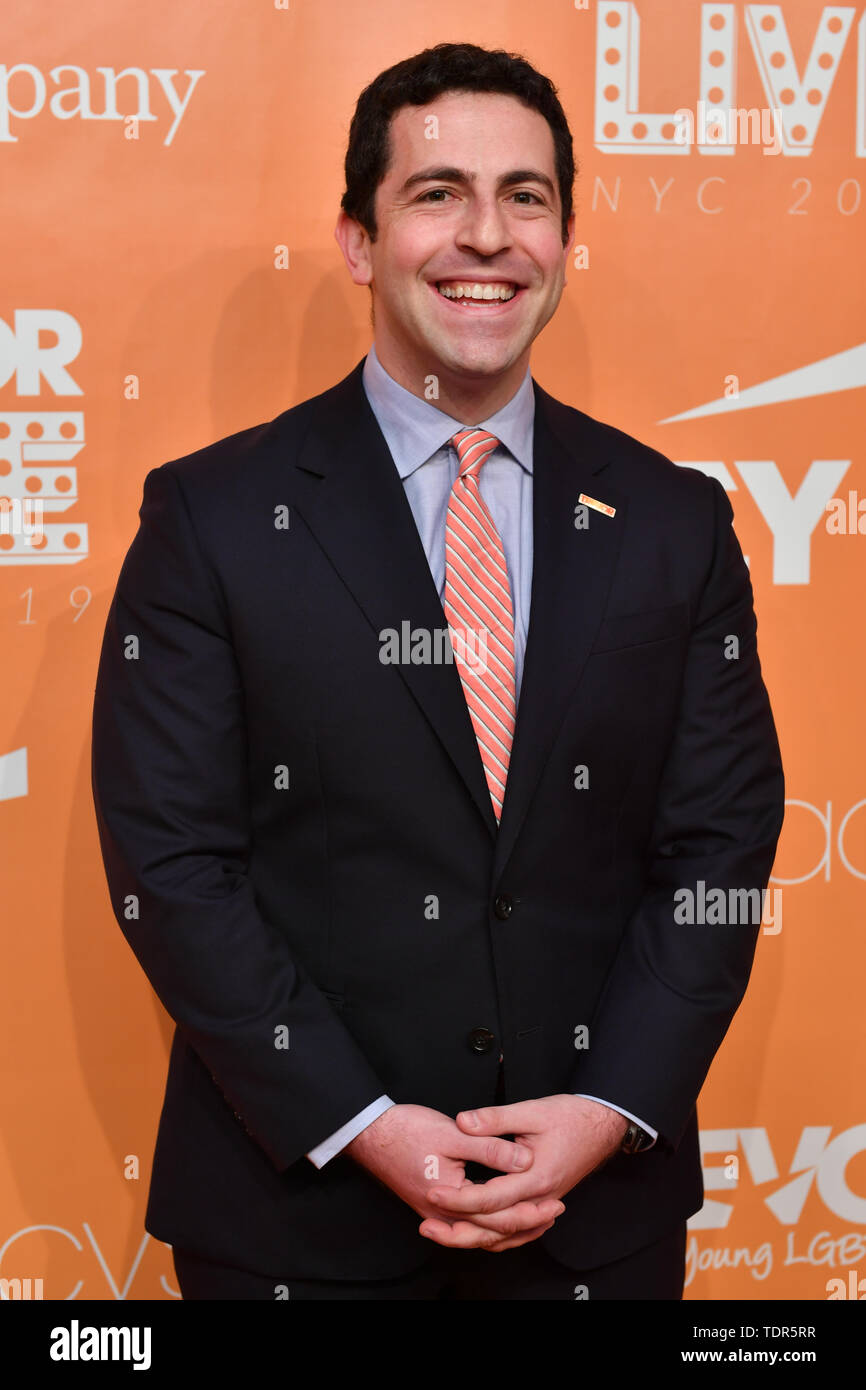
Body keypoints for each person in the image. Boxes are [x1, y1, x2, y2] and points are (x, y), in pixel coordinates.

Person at [90, 42, 785, 1300]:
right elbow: (174, 866)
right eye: (436, 194)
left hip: (596, 1223)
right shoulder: (214, 517)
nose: (487, 236)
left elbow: (721, 850)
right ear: (359, 240)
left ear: (564, 237)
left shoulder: (673, 519)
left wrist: (605, 1105)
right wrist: (363, 1123)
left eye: (525, 196)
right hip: (296, 1224)